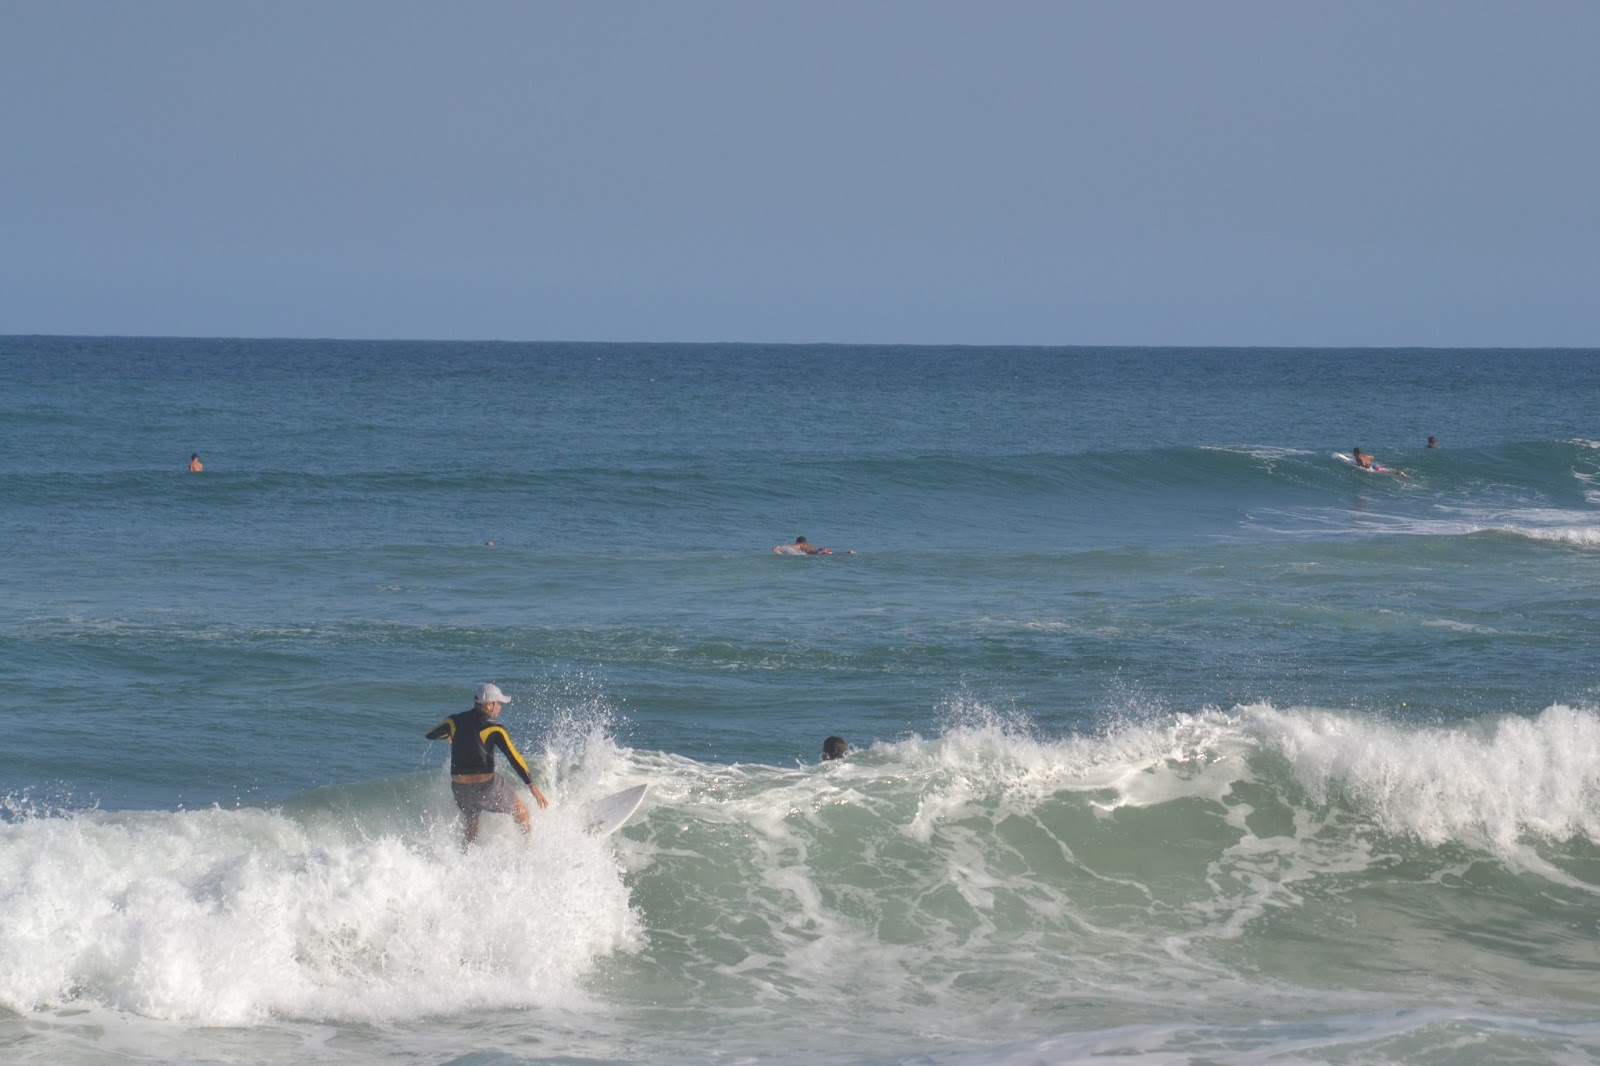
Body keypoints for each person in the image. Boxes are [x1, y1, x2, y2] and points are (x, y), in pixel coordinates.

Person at [425, 683, 549, 844]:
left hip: (460, 790)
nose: (500, 708)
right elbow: (514, 757)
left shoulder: (454, 721)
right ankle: (530, 847)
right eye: (499, 704)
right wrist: (532, 786)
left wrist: (449, 734)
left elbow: (430, 734)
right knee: (520, 810)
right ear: (489, 704)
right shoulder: (495, 727)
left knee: (471, 824)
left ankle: (465, 855)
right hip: (487, 787)